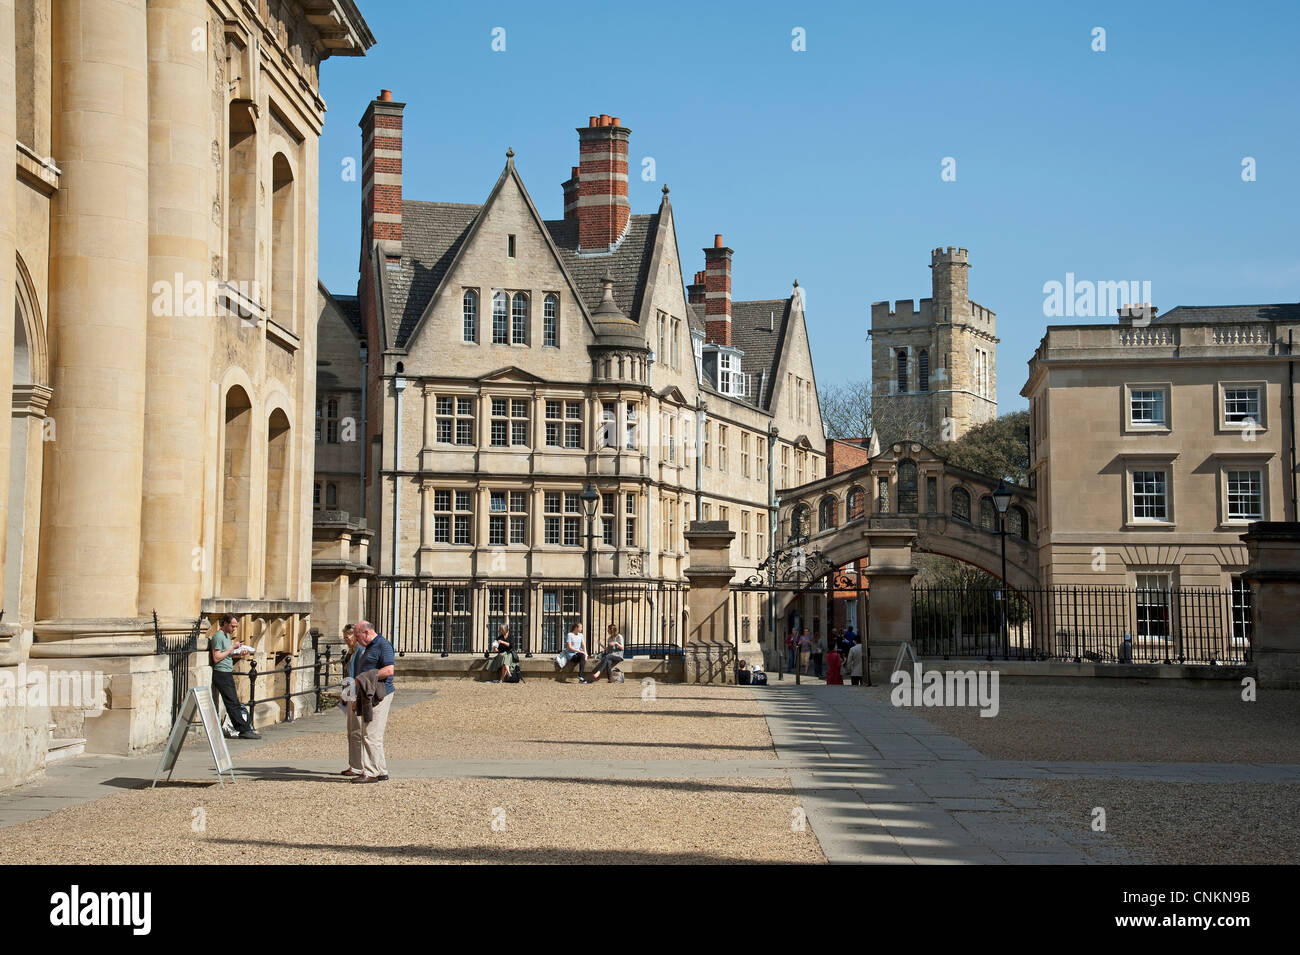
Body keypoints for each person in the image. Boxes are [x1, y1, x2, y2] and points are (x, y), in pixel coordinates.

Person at [351, 620, 395, 783]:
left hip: (380, 694)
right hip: (368, 694)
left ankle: (371, 772)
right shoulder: (368, 648)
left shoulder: (383, 645)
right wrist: (357, 698)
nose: (356, 639)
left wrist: (364, 677)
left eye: (357, 636)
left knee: (370, 734)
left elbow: (389, 670)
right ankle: (381, 770)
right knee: (372, 734)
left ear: (367, 632)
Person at [210, 613, 259, 740]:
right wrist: (232, 647)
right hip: (221, 673)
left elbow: (226, 654)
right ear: (225, 623)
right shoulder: (218, 637)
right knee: (232, 702)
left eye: (235, 626)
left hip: (227, 671)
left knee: (234, 701)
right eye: (232, 626)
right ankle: (243, 729)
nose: (234, 629)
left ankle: (245, 728)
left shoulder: (226, 636)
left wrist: (237, 652)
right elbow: (216, 657)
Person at [339, 624, 364, 777]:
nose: (346, 641)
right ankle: (354, 764)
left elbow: (358, 675)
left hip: (355, 694)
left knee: (356, 731)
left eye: (347, 638)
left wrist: (353, 696)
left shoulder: (359, 651)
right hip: (350, 693)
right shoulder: (352, 652)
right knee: (352, 731)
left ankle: (357, 766)